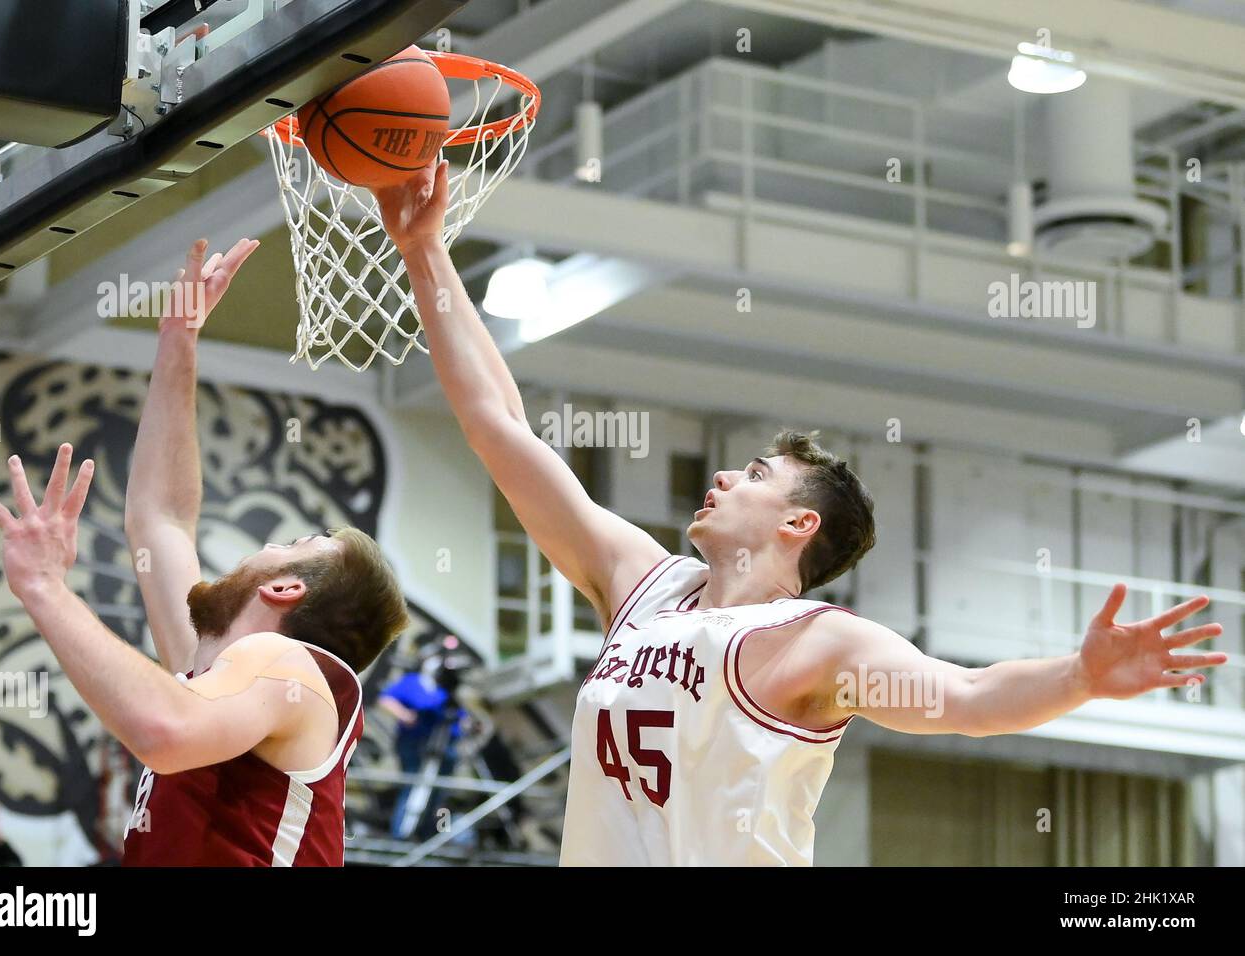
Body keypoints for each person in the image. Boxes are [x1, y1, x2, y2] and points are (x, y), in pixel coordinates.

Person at [373, 159, 1228, 866]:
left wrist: (1079, 677)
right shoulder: (639, 585)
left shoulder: (822, 642)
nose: (719, 476)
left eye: (753, 472)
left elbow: (968, 696)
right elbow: (499, 427)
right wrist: (424, 250)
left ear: (798, 524)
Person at [0, 238, 409, 867]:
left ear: (286, 589)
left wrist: (45, 586)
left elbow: (163, 731)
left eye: (288, 545)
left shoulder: (285, 666)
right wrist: (178, 340)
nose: (264, 545)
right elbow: (162, 519)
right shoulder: (216, 674)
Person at [380, 636, 470, 839]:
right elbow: (386, 699)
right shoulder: (411, 682)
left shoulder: (446, 692)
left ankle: (428, 833)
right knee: (413, 786)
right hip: (415, 744)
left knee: (438, 792)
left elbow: (458, 716)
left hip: (444, 746)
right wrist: (405, 715)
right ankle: (401, 833)